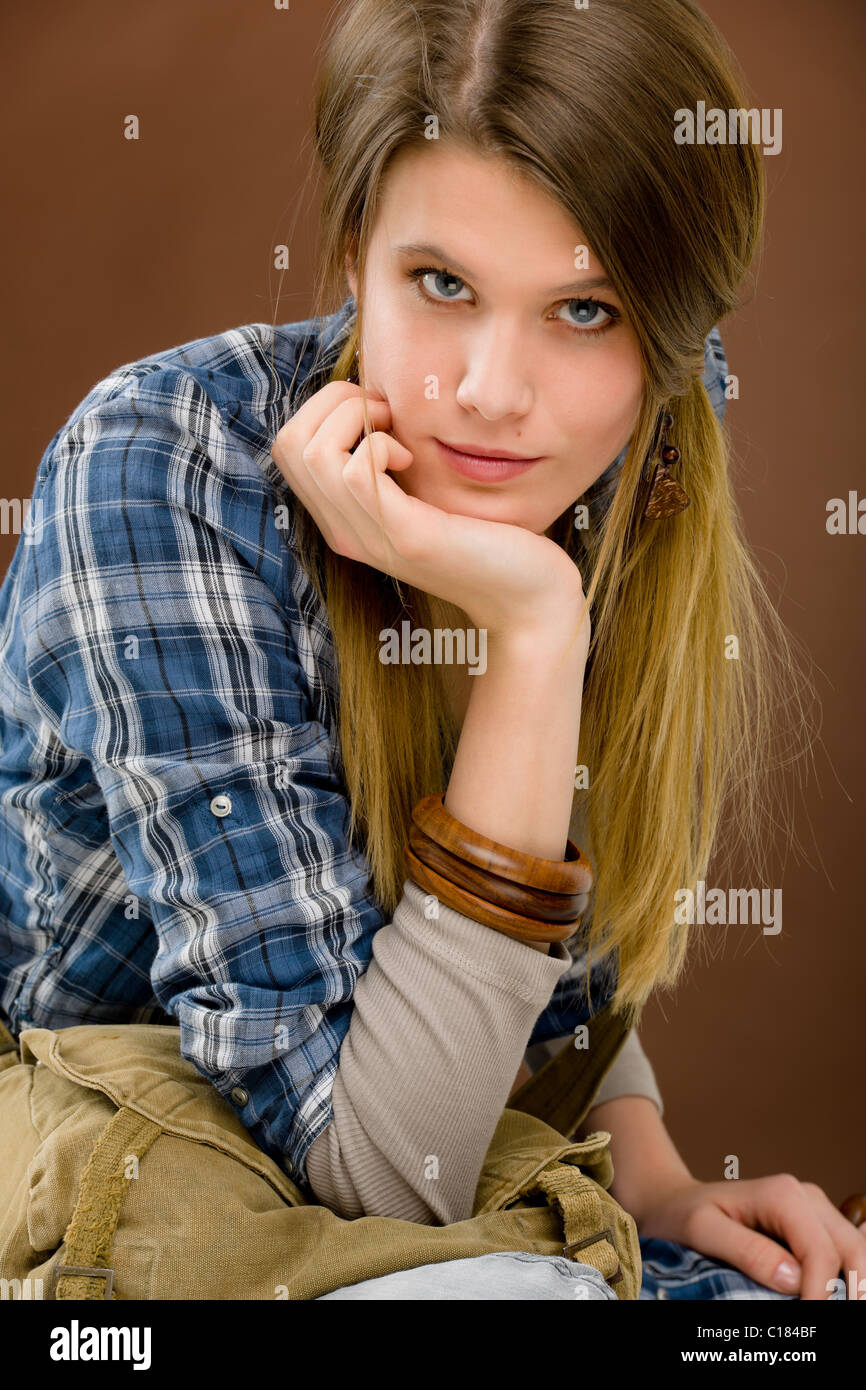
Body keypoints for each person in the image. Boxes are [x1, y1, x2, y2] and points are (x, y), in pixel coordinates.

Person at [0, 0, 860, 1301]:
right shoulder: (163, 467)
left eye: (582, 309)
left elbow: (537, 968)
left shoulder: (636, 445)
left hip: (415, 1143)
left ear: (670, 342)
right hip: (107, 1154)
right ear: (355, 253)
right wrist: (531, 629)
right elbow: (383, 1164)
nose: (492, 392)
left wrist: (654, 1173)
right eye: (442, 284)